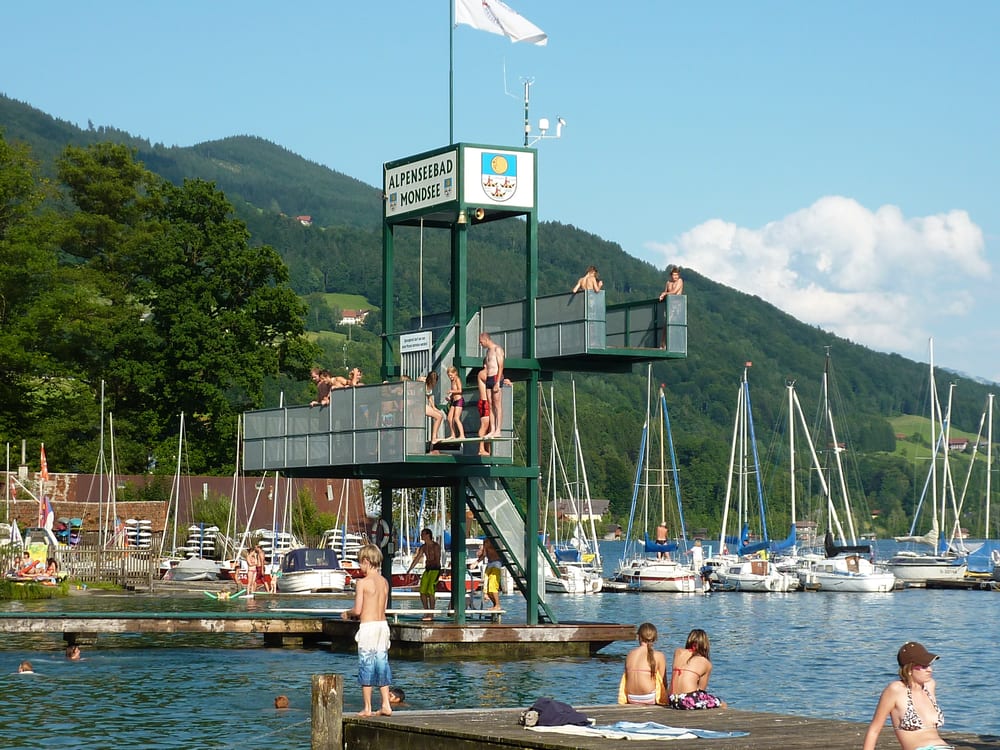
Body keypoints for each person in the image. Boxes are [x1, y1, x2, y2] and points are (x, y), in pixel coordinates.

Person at [862, 642, 949, 750]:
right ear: (909, 669)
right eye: (924, 666)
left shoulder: (929, 685)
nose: (930, 670)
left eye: (929, 665)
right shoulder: (895, 689)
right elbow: (874, 730)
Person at [341, 543, 393, 717]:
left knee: (367, 665)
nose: (359, 567)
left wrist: (347, 613)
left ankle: (368, 707)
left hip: (369, 627)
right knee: (382, 664)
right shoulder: (384, 582)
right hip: (382, 626)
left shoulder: (363, 583)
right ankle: (386, 704)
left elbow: (358, 610)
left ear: (366, 561)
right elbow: (383, 607)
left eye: (360, 563)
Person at [668, 628, 725, 710]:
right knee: (722, 704)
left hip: (672, 699)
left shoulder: (678, 652)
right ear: (705, 645)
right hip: (687, 700)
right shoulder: (706, 663)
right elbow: (701, 690)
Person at [618, 622, 667, 705]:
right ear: (655, 638)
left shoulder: (630, 654)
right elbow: (664, 682)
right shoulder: (659, 655)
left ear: (639, 637)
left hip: (631, 697)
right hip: (649, 697)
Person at [405, 528, 442, 620]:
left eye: (423, 534)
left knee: (430, 591)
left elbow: (437, 559)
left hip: (435, 570)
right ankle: (426, 611)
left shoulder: (436, 546)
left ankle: (431, 614)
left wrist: (436, 567)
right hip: (427, 570)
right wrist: (409, 569)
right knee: (422, 591)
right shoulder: (423, 547)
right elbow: (417, 558)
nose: (421, 536)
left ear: (428, 535)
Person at [479, 332, 505, 438]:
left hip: (495, 377)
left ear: (486, 340)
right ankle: (493, 429)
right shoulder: (488, 351)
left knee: (497, 404)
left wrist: (498, 382)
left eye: (481, 342)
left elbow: (501, 366)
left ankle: (498, 429)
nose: (481, 344)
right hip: (489, 378)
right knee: (490, 404)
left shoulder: (497, 349)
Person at [419, 371, 446, 444]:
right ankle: (434, 438)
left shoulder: (430, 386)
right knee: (438, 417)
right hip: (417, 404)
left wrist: (434, 408)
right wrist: (419, 380)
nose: (434, 384)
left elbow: (429, 396)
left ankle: (434, 437)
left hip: (421, 404)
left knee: (439, 416)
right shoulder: (422, 382)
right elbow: (416, 381)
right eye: (433, 382)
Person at [476, 537, 503, 610]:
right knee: (487, 589)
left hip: (496, 563)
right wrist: (476, 562)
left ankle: (498, 605)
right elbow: (484, 554)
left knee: (493, 586)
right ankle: (495, 605)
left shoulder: (497, 540)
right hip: (489, 563)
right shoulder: (485, 541)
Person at [445, 366, 466, 440]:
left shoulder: (457, 379)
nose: (450, 377)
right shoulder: (452, 381)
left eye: (451, 375)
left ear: (455, 373)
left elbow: (460, 390)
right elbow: (453, 392)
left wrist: (451, 391)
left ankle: (462, 435)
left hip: (459, 400)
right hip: (454, 401)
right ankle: (453, 434)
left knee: (456, 418)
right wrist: (449, 397)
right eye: (449, 376)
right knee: (449, 418)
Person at [476, 368, 492, 456]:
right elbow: (492, 381)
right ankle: (481, 449)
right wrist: (501, 380)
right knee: (484, 424)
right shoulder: (482, 373)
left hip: (488, 403)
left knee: (489, 426)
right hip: (484, 402)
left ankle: (487, 448)